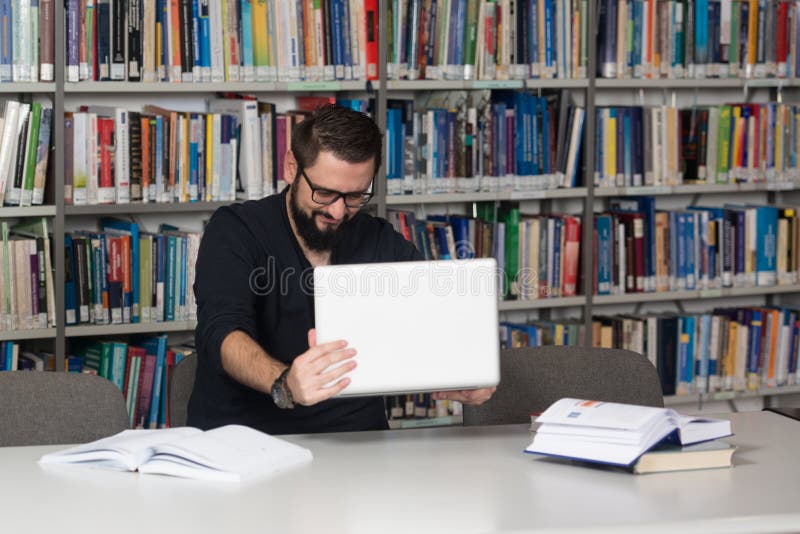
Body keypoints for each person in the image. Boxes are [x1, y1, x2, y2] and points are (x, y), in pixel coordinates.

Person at [188, 104, 495, 435]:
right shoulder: (236, 230)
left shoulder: (380, 241)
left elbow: (438, 317)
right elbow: (222, 333)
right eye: (324, 193)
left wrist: (470, 369)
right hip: (246, 440)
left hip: (359, 446)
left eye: (355, 196)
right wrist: (284, 383)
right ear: (291, 167)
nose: (337, 211)